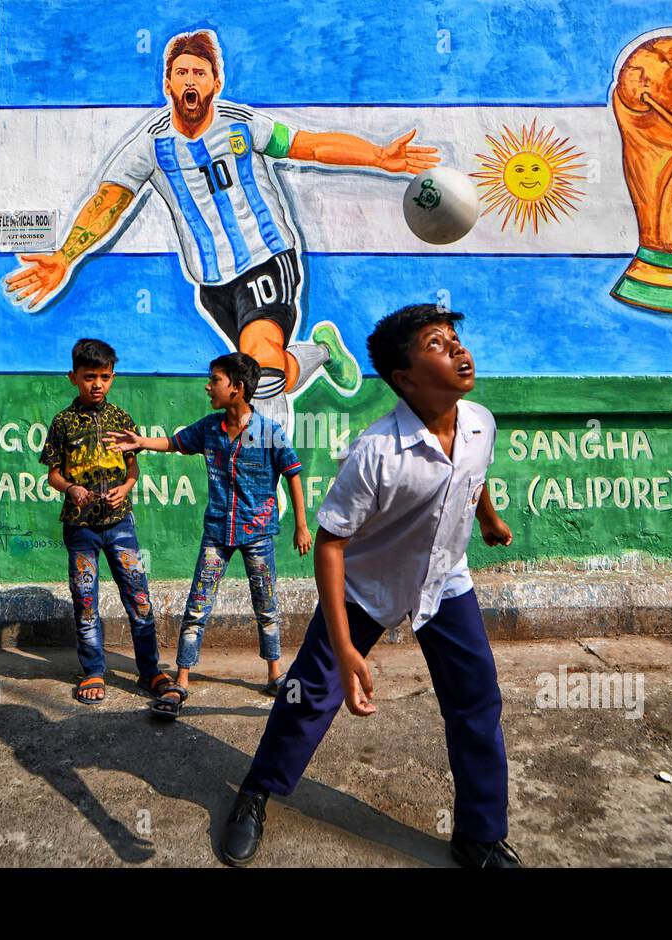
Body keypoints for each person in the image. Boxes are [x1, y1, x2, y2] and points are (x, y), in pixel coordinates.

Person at [4, 28, 439, 428]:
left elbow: (310, 145)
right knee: (262, 374)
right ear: (168, 85)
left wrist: (379, 157)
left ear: (215, 83)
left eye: (199, 71)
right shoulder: (151, 144)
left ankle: (265, 486)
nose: (190, 79)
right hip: (213, 286)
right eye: (180, 72)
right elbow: (108, 200)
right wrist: (65, 255)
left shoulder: (242, 124)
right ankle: (322, 351)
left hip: (267, 259)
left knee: (263, 366)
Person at [219, 304, 523, 867]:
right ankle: (256, 791)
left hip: (444, 584)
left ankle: (478, 835)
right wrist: (345, 647)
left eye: (456, 338)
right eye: (437, 343)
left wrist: (487, 517)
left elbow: (473, 472)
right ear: (404, 378)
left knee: (476, 701)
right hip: (366, 588)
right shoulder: (376, 452)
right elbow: (331, 545)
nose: (458, 349)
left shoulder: (480, 420)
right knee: (309, 695)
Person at [106, 352, 312, 719]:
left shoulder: (269, 433)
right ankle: (181, 682)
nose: (208, 385)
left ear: (237, 388)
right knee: (197, 605)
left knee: (266, 606)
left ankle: (274, 674)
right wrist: (139, 441)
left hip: (259, 533)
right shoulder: (210, 429)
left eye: (215, 380)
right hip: (217, 531)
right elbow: (174, 442)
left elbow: (293, 473)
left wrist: (301, 524)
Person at [39, 338, 176, 704]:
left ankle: (150, 671)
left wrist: (127, 488)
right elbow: (53, 474)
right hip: (80, 528)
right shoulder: (63, 423)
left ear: (112, 377)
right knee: (85, 601)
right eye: (88, 377)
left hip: (120, 525)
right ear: (73, 378)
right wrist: (71, 489)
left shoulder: (121, 419)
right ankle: (93, 671)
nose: (96, 384)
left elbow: (133, 467)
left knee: (140, 598)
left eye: (104, 376)